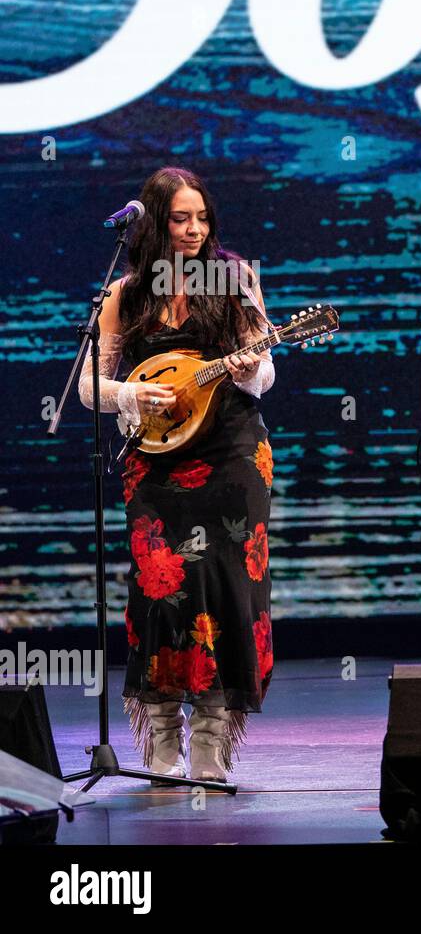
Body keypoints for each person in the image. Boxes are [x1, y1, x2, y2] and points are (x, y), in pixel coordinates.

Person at [79, 166, 275, 782]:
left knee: (223, 590)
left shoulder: (233, 278)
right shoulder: (125, 295)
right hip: (156, 461)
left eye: (202, 218)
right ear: (154, 224)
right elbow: (88, 387)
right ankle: (163, 739)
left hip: (231, 455)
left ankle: (212, 742)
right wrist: (131, 398)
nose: (194, 230)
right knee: (161, 592)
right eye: (180, 219)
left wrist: (246, 368)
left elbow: (264, 374)